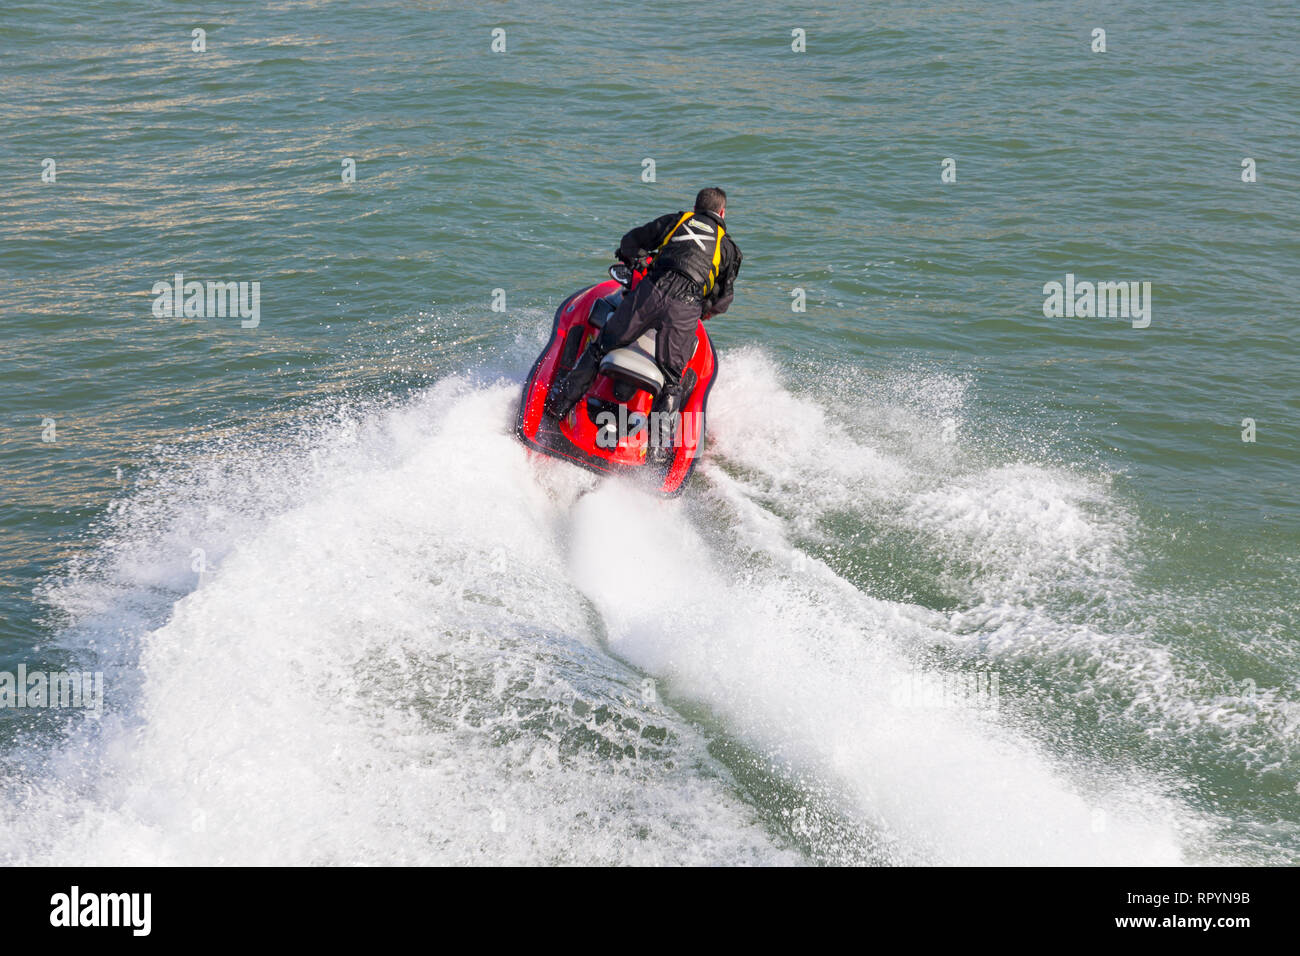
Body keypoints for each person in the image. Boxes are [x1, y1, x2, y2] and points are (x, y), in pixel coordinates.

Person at [546, 187, 742, 448]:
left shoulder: (677, 221)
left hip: (651, 291)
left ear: (695, 208)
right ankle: (657, 456)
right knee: (672, 382)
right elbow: (724, 300)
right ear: (722, 213)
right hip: (684, 308)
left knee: (600, 348)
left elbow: (630, 242)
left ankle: (555, 411)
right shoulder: (729, 248)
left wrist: (634, 260)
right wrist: (702, 309)